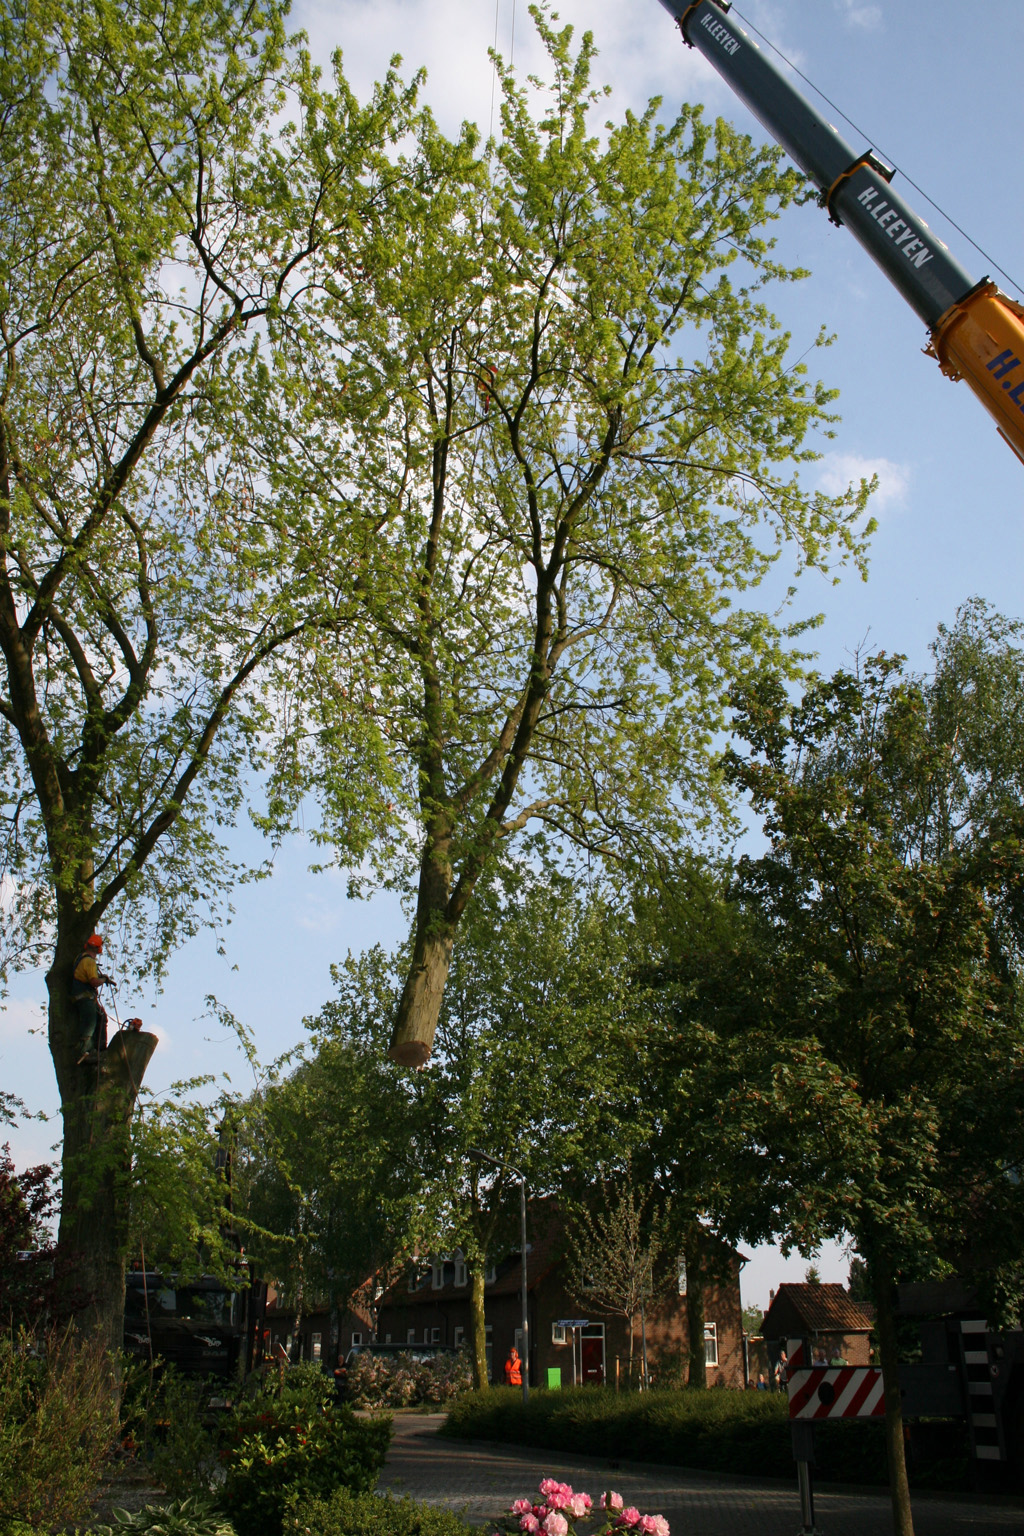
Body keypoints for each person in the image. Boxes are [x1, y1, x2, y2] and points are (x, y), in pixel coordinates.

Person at [73, 933, 113, 1064]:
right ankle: (86, 1051)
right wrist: (103, 979)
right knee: (89, 1024)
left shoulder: (80, 958)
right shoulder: (89, 962)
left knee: (101, 1018)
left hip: (83, 997)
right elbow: (94, 982)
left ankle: (99, 1049)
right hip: (85, 998)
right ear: (99, 949)